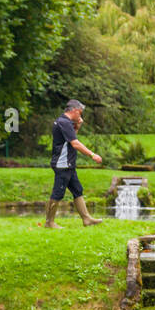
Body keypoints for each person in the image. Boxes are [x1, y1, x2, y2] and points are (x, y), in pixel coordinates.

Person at [46, 98, 103, 228]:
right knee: (58, 192)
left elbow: (71, 137)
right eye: (80, 113)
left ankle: (86, 219)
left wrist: (78, 125)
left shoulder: (65, 122)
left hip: (68, 164)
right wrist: (92, 155)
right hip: (63, 164)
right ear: (75, 111)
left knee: (77, 190)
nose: (80, 116)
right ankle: (49, 222)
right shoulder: (64, 122)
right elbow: (75, 143)